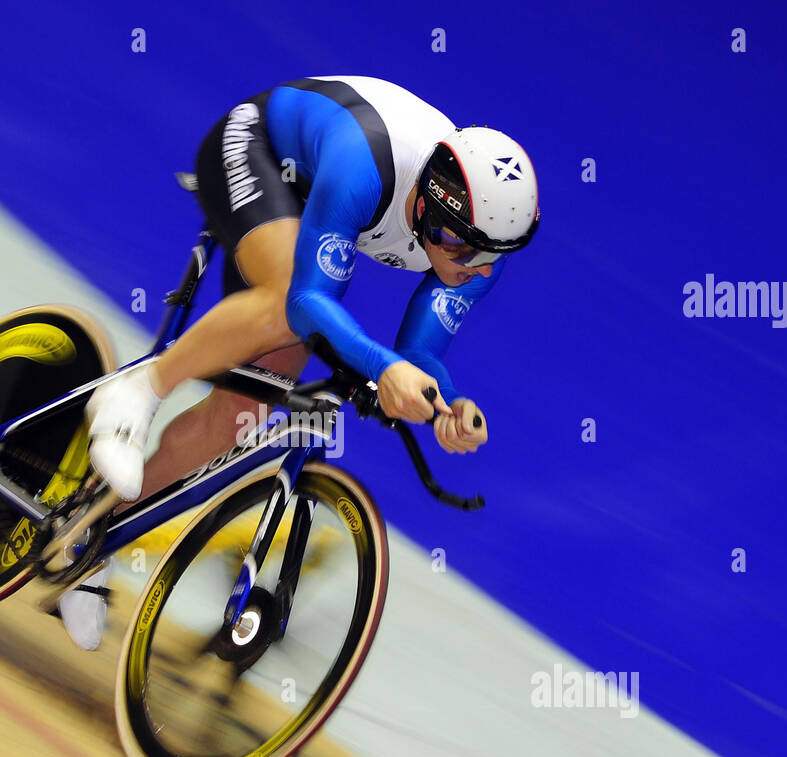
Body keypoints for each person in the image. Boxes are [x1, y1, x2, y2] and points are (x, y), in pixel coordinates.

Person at [58, 75, 540, 650]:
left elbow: (419, 353)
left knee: (237, 417)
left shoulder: (484, 241)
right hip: (259, 148)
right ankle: (140, 388)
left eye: (494, 257)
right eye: (465, 251)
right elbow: (308, 300)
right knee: (290, 302)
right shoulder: (367, 164)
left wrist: (443, 406)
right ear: (431, 210)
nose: (479, 271)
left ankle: (89, 537)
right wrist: (381, 368)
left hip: (313, 209)